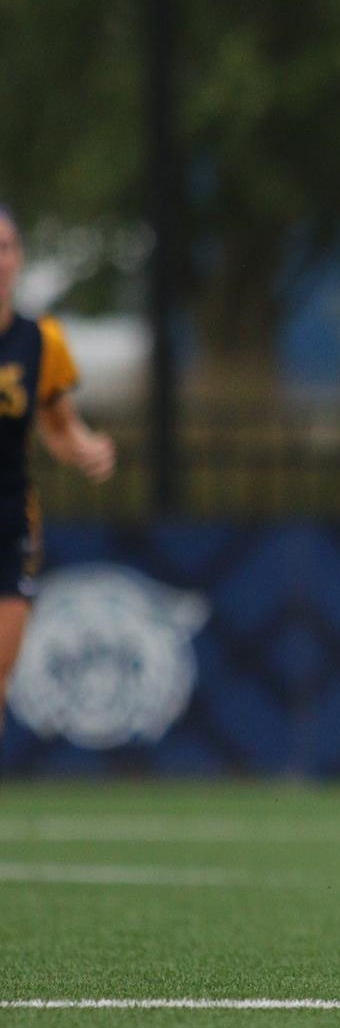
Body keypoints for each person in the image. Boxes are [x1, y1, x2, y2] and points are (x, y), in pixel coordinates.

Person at [0, 206, 117, 749]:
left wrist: (87, 448)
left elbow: (60, 426)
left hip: (9, 521)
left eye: (6, 247)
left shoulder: (40, 342)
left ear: (20, 258)